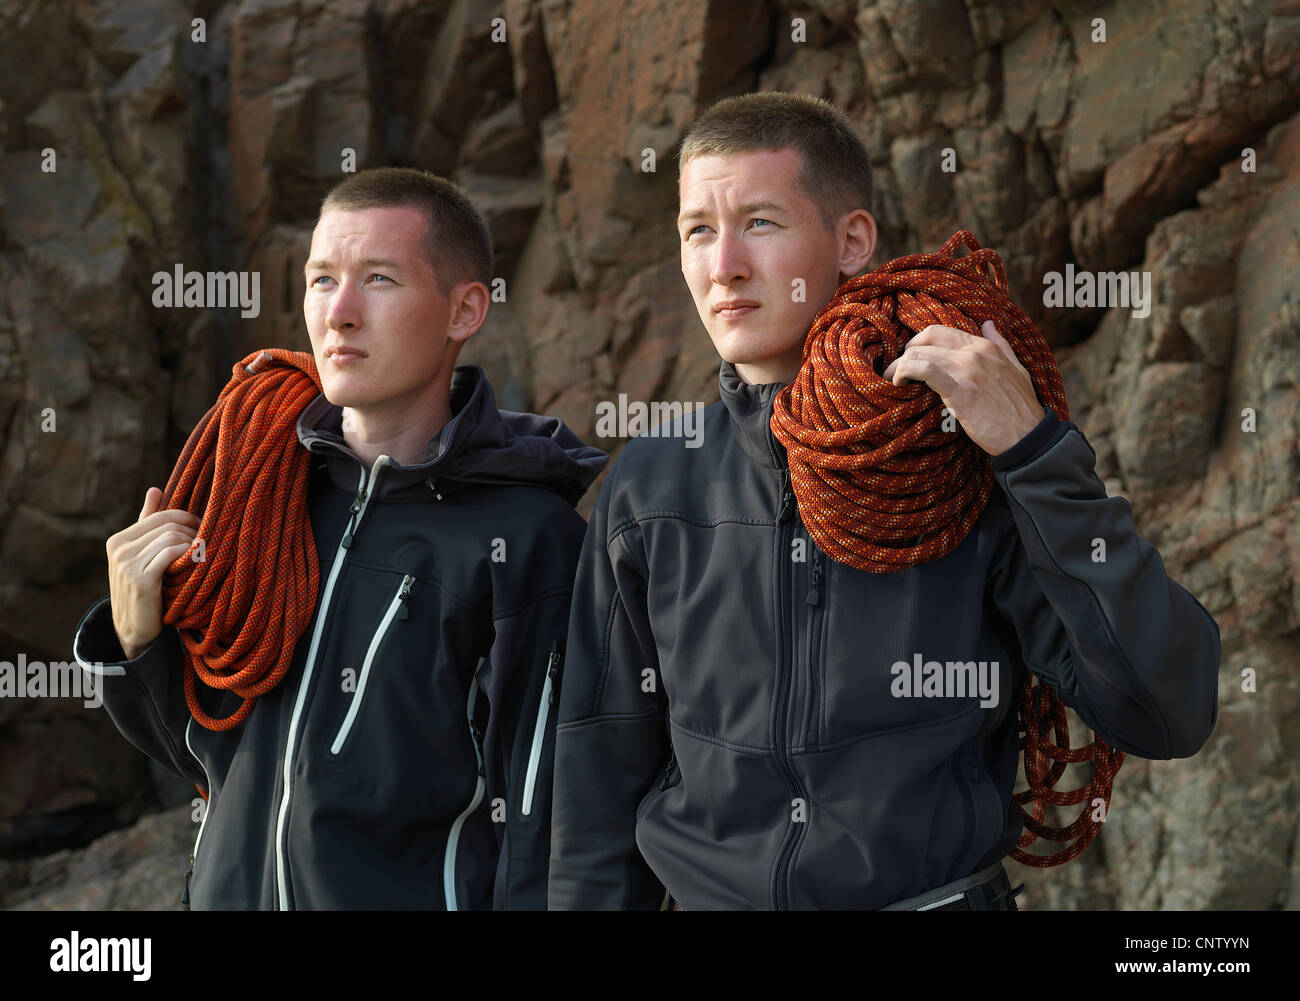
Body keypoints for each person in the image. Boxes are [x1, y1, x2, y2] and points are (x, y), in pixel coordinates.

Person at [547, 92, 1221, 911]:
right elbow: (591, 790)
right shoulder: (648, 486)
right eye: (697, 229)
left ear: (852, 242)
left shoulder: (961, 463)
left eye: (760, 222)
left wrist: (1035, 453)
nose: (722, 263)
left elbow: (1167, 710)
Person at [74, 168, 607, 910]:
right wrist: (139, 645)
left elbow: (545, 830)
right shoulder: (260, 496)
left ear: (465, 309)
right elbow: (216, 758)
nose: (341, 313)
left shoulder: (529, 541)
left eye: (379, 279)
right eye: (322, 279)